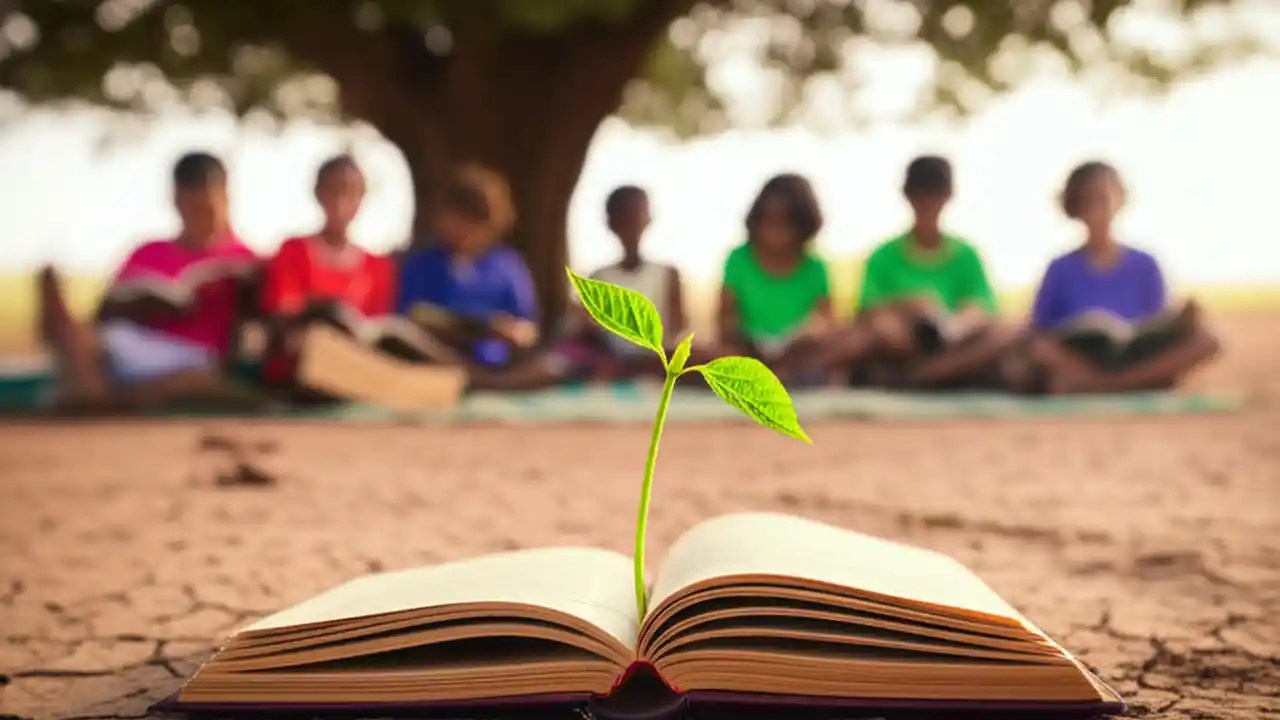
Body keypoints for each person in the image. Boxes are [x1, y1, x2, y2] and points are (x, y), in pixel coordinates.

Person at [37, 151, 261, 411]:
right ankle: (91, 389)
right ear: (176, 200)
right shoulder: (146, 252)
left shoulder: (246, 260)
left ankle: (92, 397)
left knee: (194, 380)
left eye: (205, 209)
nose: (198, 218)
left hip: (197, 355)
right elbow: (102, 312)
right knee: (82, 341)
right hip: (130, 345)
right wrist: (138, 304)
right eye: (191, 208)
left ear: (225, 197)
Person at [1024, 161, 1220, 393]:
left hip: (1135, 356)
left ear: (1120, 199)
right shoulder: (1060, 269)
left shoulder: (1146, 265)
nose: (1098, 209)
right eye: (1089, 200)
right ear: (1075, 206)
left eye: (1103, 198)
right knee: (1037, 350)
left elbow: (1158, 325)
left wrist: (1181, 319)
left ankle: (1109, 384)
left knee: (1206, 339)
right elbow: (1036, 333)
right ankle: (1116, 382)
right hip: (1080, 358)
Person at [850, 155, 1011, 388]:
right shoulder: (883, 256)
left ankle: (920, 376)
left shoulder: (966, 255)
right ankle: (936, 374)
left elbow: (982, 309)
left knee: (1007, 331)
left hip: (956, 343)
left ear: (947, 197)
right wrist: (910, 306)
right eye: (920, 195)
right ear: (908, 197)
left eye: (934, 195)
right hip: (903, 344)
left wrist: (953, 326)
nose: (927, 204)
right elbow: (868, 313)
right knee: (879, 330)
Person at [397, 164, 548, 389]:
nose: (466, 230)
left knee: (552, 366)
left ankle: (488, 381)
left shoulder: (507, 265)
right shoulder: (422, 263)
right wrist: (476, 326)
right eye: (459, 218)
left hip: (496, 361)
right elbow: (412, 317)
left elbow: (528, 329)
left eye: (475, 222)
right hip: (436, 357)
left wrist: (508, 331)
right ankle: (483, 382)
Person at [260, 154, 397, 385]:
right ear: (318, 193)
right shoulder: (293, 251)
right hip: (303, 361)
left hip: (358, 363)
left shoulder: (378, 266)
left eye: (351, 191)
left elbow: (376, 330)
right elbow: (283, 313)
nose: (341, 201)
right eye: (333, 190)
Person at [718, 174, 836, 383]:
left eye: (785, 225)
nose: (776, 234)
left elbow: (827, 321)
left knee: (832, 355)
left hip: (799, 357)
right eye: (769, 222)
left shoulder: (815, 267)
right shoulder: (738, 260)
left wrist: (808, 332)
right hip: (747, 352)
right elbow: (725, 321)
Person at [571, 186, 689, 379]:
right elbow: (589, 332)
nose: (632, 223)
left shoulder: (667, 274)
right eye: (625, 216)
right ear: (611, 223)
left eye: (637, 214)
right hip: (614, 361)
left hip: (657, 359)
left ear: (648, 219)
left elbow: (679, 328)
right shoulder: (600, 277)